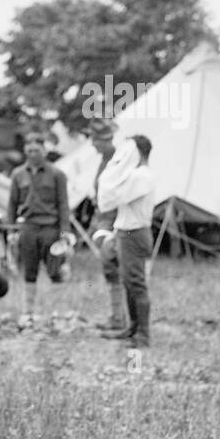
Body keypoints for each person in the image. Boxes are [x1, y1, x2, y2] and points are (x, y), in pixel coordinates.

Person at [99, 134, 156, 348]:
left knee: (136, 283)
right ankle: (133, 328)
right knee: (128, 282)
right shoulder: (135, 175)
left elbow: (114, 196)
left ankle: (143, 334)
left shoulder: (142, 176)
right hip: (126, 231)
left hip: (135, 232)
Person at [7, 132, 70, 318]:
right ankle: (29, 312)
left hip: (50, 227)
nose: (32, 153)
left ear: (44, 150)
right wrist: (11, 230)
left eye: (36, 150)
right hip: (28, 227)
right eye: (29, 150)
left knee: (55, 270)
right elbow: (12, 203)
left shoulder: (57, 174)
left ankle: (58, 311)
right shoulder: (18, 174)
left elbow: (63, 204)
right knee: (29, 270)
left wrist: (64, 231)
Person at [86, 118, 126, 331]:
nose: (93, 145)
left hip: (115, 221)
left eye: (95, 140)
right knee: (109, 268)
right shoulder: (104, 160)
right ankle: (117, 316)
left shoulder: (119, 160)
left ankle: (123, 317)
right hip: (104, 219)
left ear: (105, 140)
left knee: (118, 266)